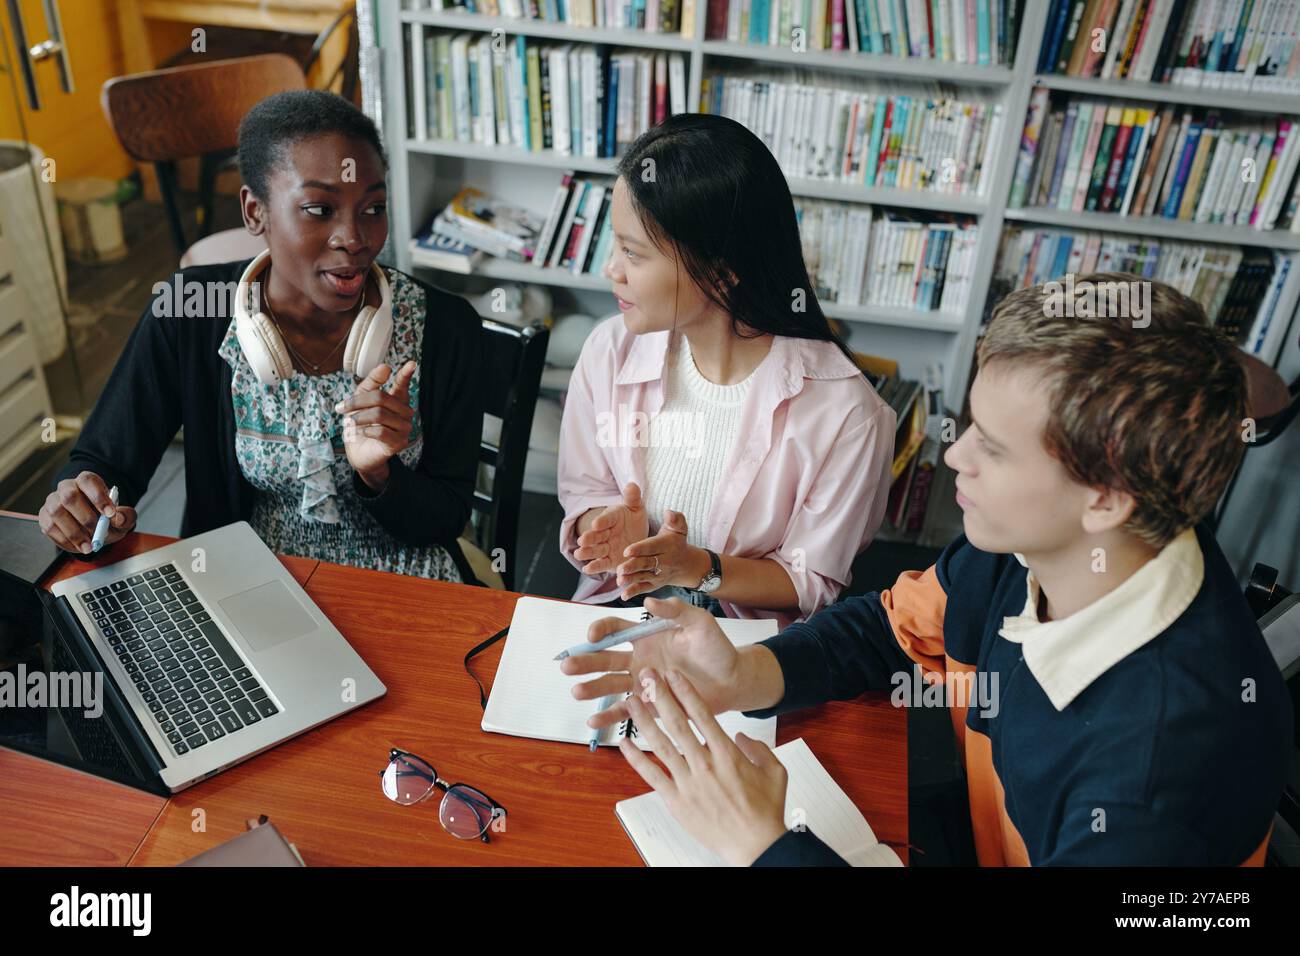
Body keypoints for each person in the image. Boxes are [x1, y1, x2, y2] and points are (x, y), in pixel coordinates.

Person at [563, 272, 1292, 865]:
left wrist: (767, 847)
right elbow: (890, 628)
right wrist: (748, 677)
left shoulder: (1156, 782)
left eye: (996, 449)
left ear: (1106, 498)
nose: (954, 457)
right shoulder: (1030, 546)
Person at [39, 90, 484, 583]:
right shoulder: (190, 310)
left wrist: (380, 474)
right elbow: (104, 462)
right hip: (244, 581)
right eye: (319, 209)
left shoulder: (447, 327)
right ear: (255, 212)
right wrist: (80, 502)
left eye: (373, 208)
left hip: (405, 585)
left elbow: (446, 519)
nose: (355, 238)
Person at [557, 113, 895, 629]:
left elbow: (810, 583)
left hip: (748, 656)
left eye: (633, 252)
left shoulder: (848, 414)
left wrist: (698, 569)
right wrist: (600, 524)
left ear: (720, 271)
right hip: (620, 621)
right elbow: (584, 489)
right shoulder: (609, 350)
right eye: (615, 243)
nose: (612, 269)